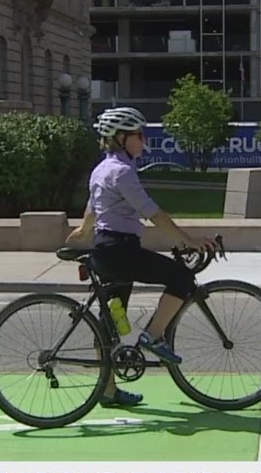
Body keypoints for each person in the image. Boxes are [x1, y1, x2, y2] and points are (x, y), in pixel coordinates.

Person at [65, 106, 217, 408]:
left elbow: (93, 210)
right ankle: (153, 336)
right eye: (138, 135)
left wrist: (83, 232)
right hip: (121, 251)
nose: (143, 141)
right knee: (181, 277)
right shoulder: (122, 172)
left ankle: (107, 391)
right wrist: (189, 240)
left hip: (107, 249)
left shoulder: (101, 169)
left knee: (109, 323)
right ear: (121, 138)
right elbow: (152, 212)